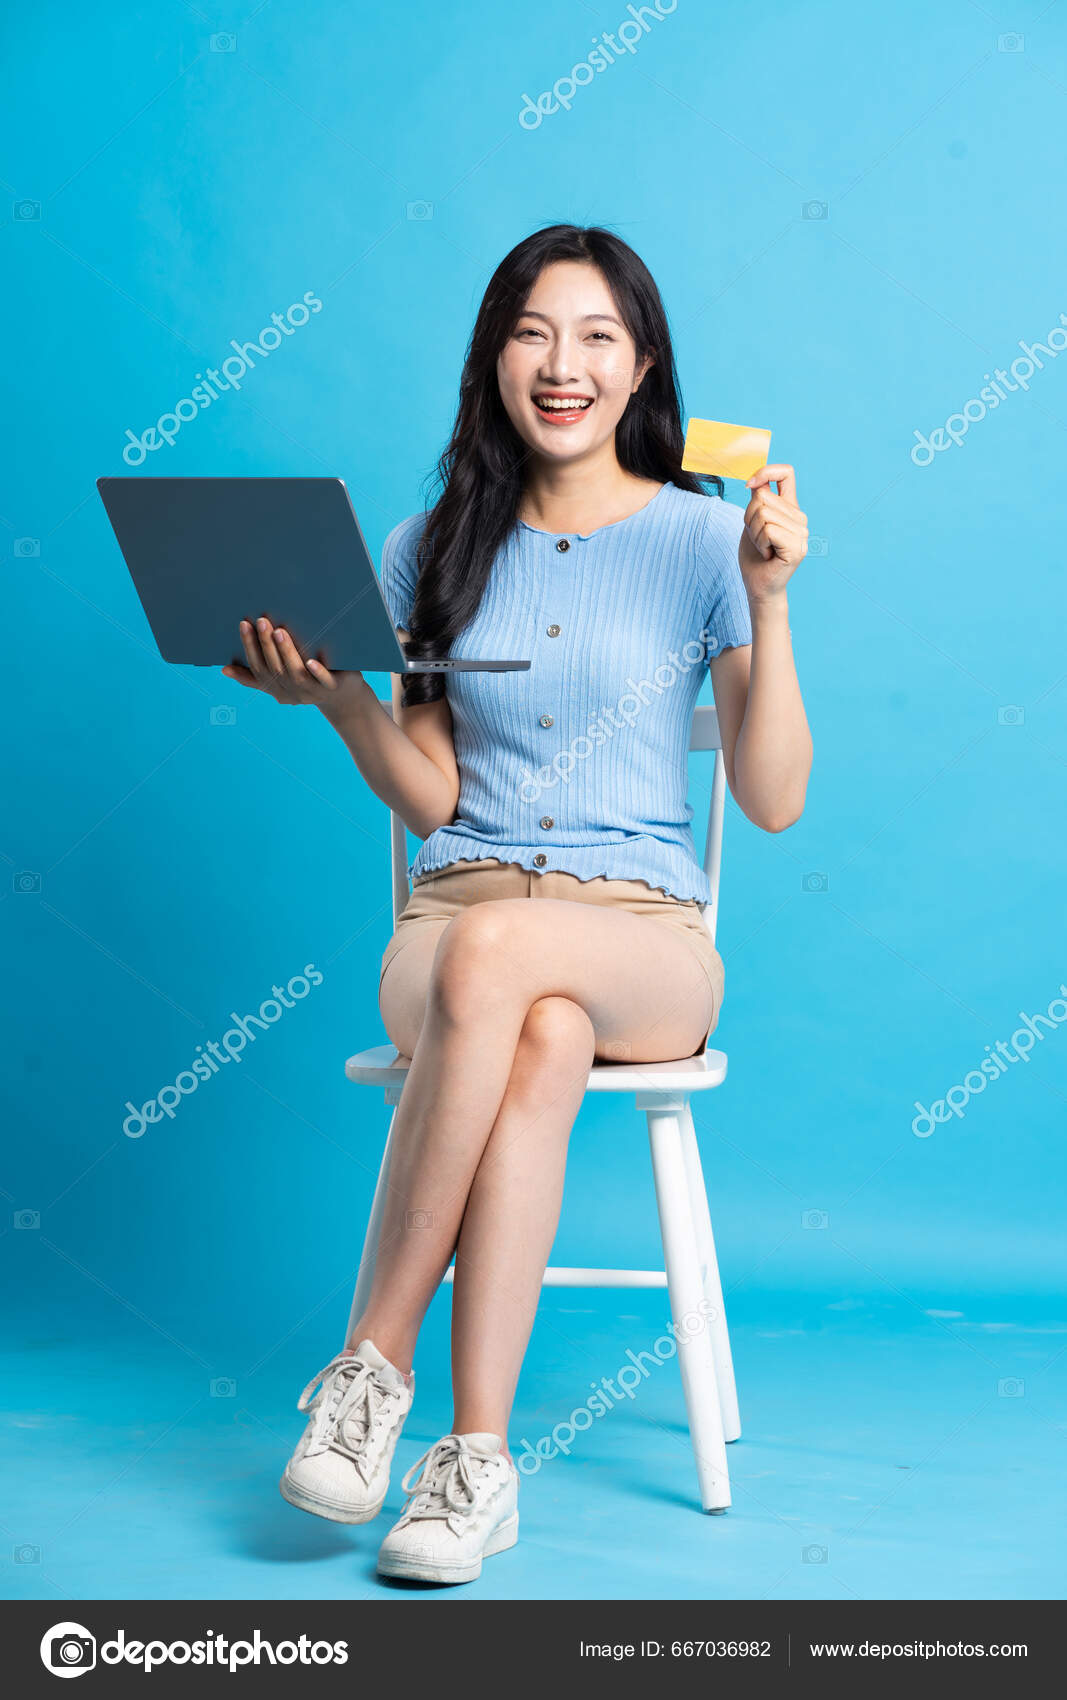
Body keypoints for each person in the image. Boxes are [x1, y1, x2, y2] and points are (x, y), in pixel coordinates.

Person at [222, 223, 812, 1585]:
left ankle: (371, 1364)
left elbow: (773, 799)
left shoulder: (707, 540)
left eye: (598, 335)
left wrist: (771, 608)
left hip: (646, 943)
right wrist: (342, 701)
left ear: (642, 363)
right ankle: (476, 1466)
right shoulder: (430, 542)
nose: (565, 364)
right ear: (495, 358)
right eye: (535, 333)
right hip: (457, 924)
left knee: (516, 962)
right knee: (528, 1022)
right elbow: (433, 800)